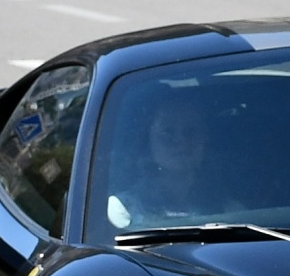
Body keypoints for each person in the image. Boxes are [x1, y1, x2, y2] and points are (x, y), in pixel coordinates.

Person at [100, 93, 237, 230]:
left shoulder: (231, 214)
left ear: (205, 140)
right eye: (167, 132)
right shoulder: (121, 210)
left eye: (191, 131)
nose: (181, 141)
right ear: (148, 141)